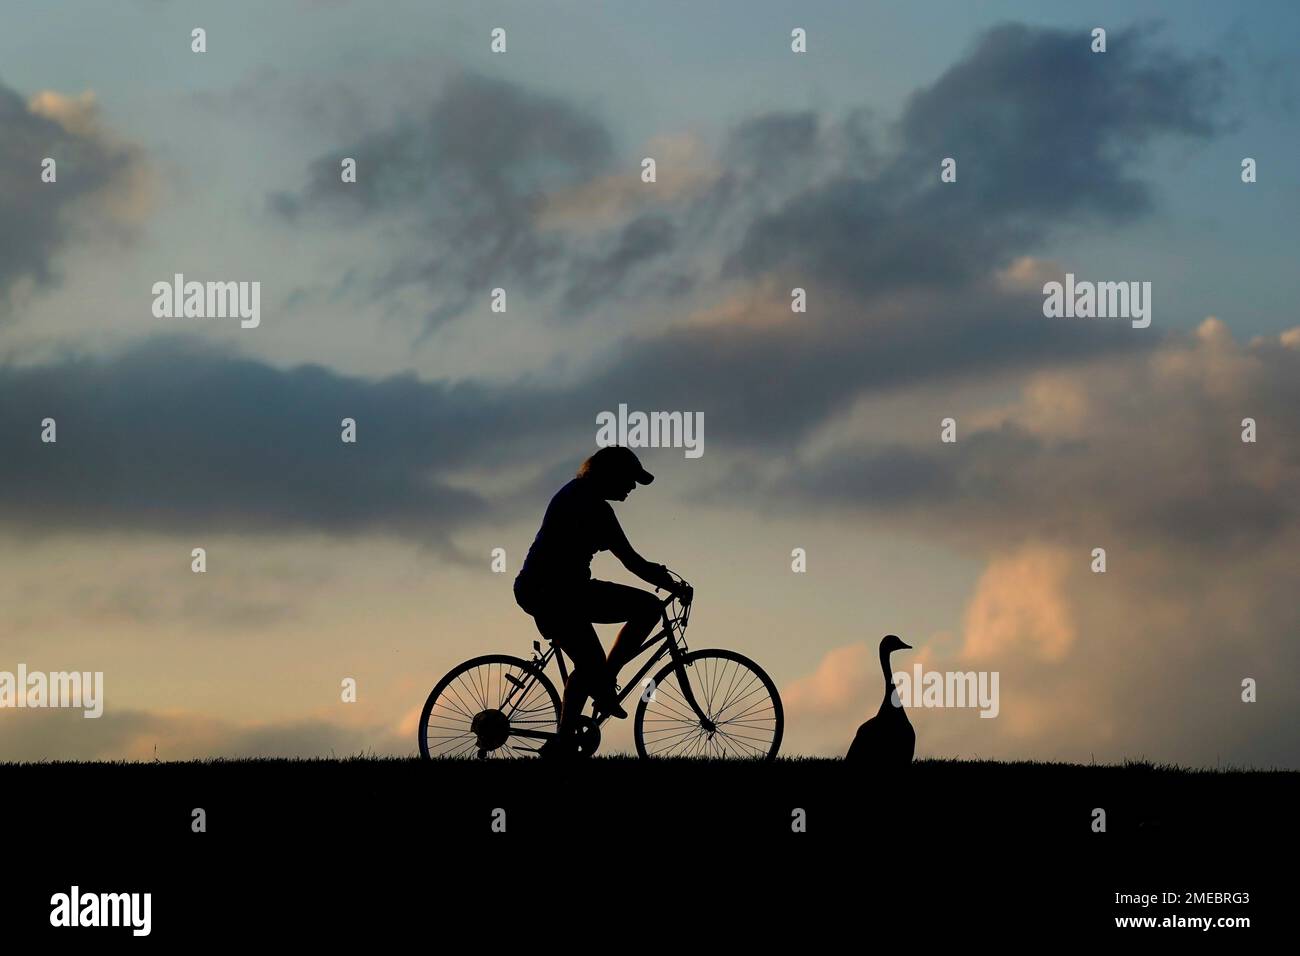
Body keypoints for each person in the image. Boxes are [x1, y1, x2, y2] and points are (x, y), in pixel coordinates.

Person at [513, 446, 686, 758]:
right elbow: (631, 561)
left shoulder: (576, 493)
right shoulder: (592, 505)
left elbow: (631, 560)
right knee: (643, 613)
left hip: (556, 591)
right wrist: (670, 583)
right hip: (555, 593)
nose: (632, 487)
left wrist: (660, 576)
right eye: (630, 480)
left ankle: (575, 725)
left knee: (590, 661)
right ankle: (601, 690)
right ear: (611, 475)